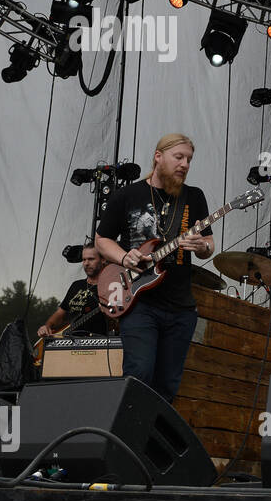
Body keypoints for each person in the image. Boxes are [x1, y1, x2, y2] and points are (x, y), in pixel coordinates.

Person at [95, 134, 213, 402]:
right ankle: (126, 440)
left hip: (182, 307)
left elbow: (208, 242)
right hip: (140, 304)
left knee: (168, 385)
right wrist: (125, 257)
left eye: (189, 159)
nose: (185, 164)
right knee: (139, 374)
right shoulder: (127, 195)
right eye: (179, 157)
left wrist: (203, 247)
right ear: (158, 157)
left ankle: (151, 443)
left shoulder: (193, 197)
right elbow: (101, 240)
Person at [37, 245, 109, 337]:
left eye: (91, 259)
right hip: (70, 341)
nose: (86, 263)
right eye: (84, 260)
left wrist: (109, 315)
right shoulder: (76, 285)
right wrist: (47, 326)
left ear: (103, 260)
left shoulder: (110, 287)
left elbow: (117, 322)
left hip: (97, 342)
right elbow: (60, 313)